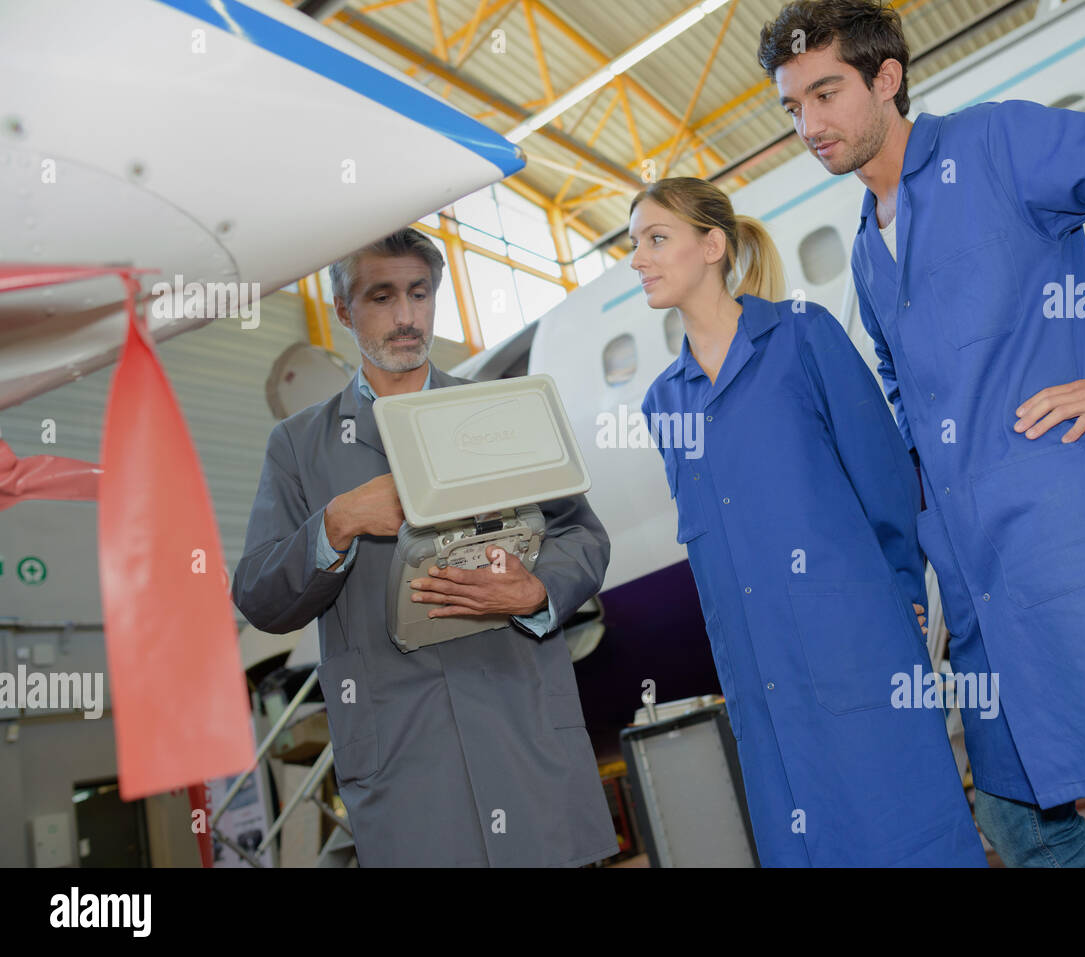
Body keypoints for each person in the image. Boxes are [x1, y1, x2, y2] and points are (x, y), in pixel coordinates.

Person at [759, 0, 1085, 866]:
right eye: (792, 107)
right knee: (1017, 829)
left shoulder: (992, 146)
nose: (809, 125)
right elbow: (909, 410)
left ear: (886, 80)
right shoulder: (865, 247)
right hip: (979, 592)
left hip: (1076, 554)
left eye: (825, 94)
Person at [231, 228, 617, 867]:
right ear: (345, 311)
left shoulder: (498, 410)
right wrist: (339, 520)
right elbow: (260, 596)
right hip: (405, 762)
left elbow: (580, 534)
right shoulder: (298, 446)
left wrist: (539, 588)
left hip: (522, 734)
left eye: (420, 292)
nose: (408, 316)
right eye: (382, 296)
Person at [635, 176, 986, 867]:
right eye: (633, 245)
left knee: (911, 836)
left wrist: (904, 599)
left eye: (655, 239)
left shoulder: (801, 336)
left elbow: (884, 477)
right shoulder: (662, 402)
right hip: (762, 689)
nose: (638, 259)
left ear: (712, 245)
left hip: (860, 651)